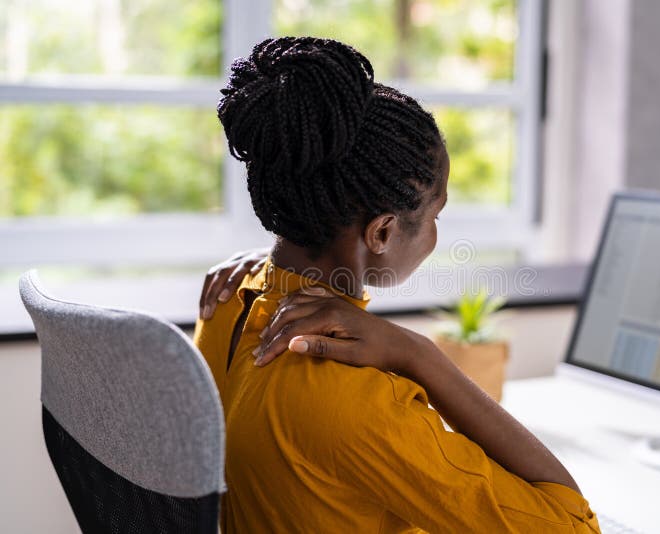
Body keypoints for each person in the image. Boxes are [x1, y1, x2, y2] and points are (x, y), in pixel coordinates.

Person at [194, 36, 600, 533]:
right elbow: (571, 526)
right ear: (382, 232)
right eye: (435, 214)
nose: (435, 233)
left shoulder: (227, 303)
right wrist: (420, 355)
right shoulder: (353, 399)